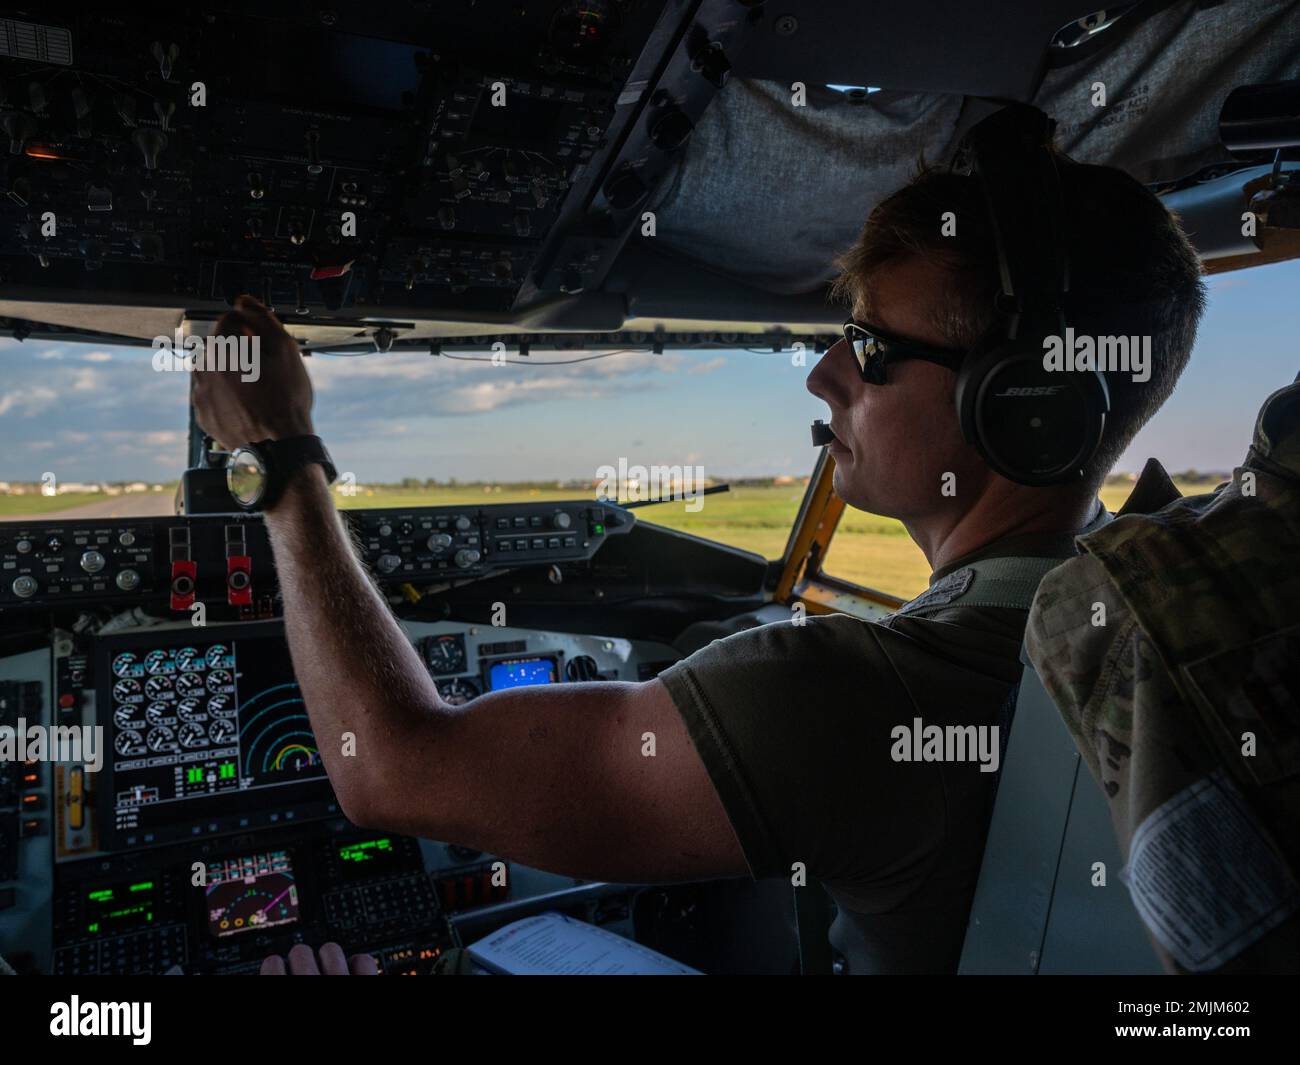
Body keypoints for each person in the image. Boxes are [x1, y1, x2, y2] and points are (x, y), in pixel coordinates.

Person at [197, 151, 1205, 975]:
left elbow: (389, 766)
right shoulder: (1167, 626)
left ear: (1027, 407)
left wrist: (280, 458)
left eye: (874, 350)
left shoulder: (865, 694)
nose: (824, 372)